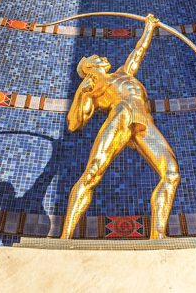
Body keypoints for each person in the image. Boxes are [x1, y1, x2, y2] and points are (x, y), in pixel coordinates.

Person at [59, 12, 180, 239]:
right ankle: (65, 237)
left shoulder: (123, 73)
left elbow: (138, 51)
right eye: (94, 57)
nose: (99, 56)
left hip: (144, 121)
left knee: (171, 173)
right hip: (122, 115)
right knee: (92, 173)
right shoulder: (92, 86)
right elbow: (75, 123)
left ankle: (158, 235)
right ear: (89, 67)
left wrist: (149, 27)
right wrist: (81, 94)